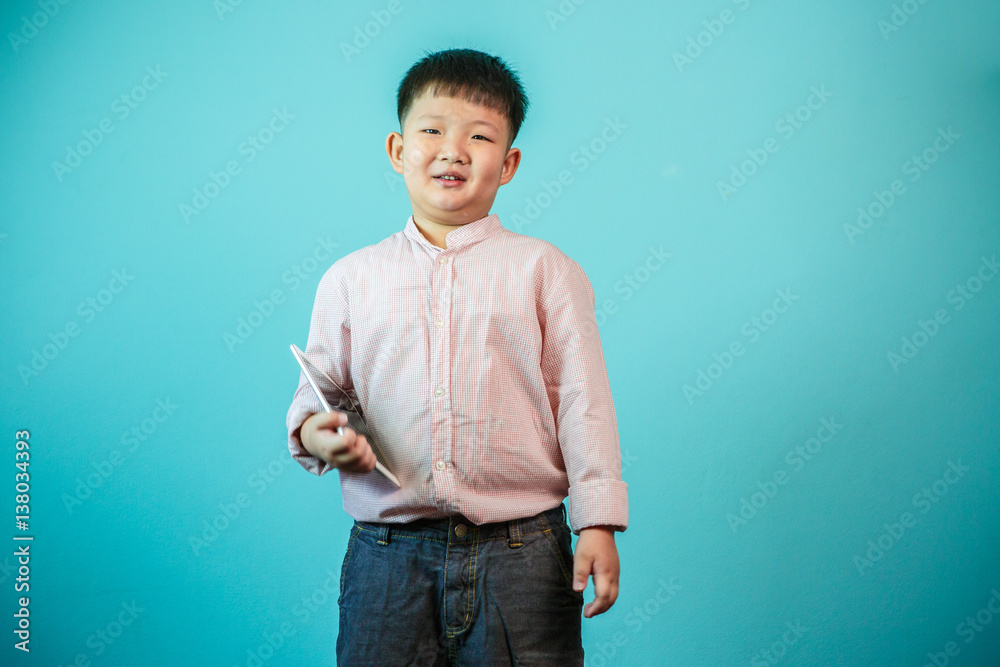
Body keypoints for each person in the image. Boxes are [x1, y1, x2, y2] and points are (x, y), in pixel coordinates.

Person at [285, 47, 628, 665]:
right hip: (388, 556)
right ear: (397, 150)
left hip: (524, 553)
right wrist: (321, 436)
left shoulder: (546, 272)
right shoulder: (350, 279)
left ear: (510, 163)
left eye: (479, 136)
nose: (453, 150)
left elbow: (583, 400)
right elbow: (317, 401)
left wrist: (597, 522)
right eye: (432, 131)